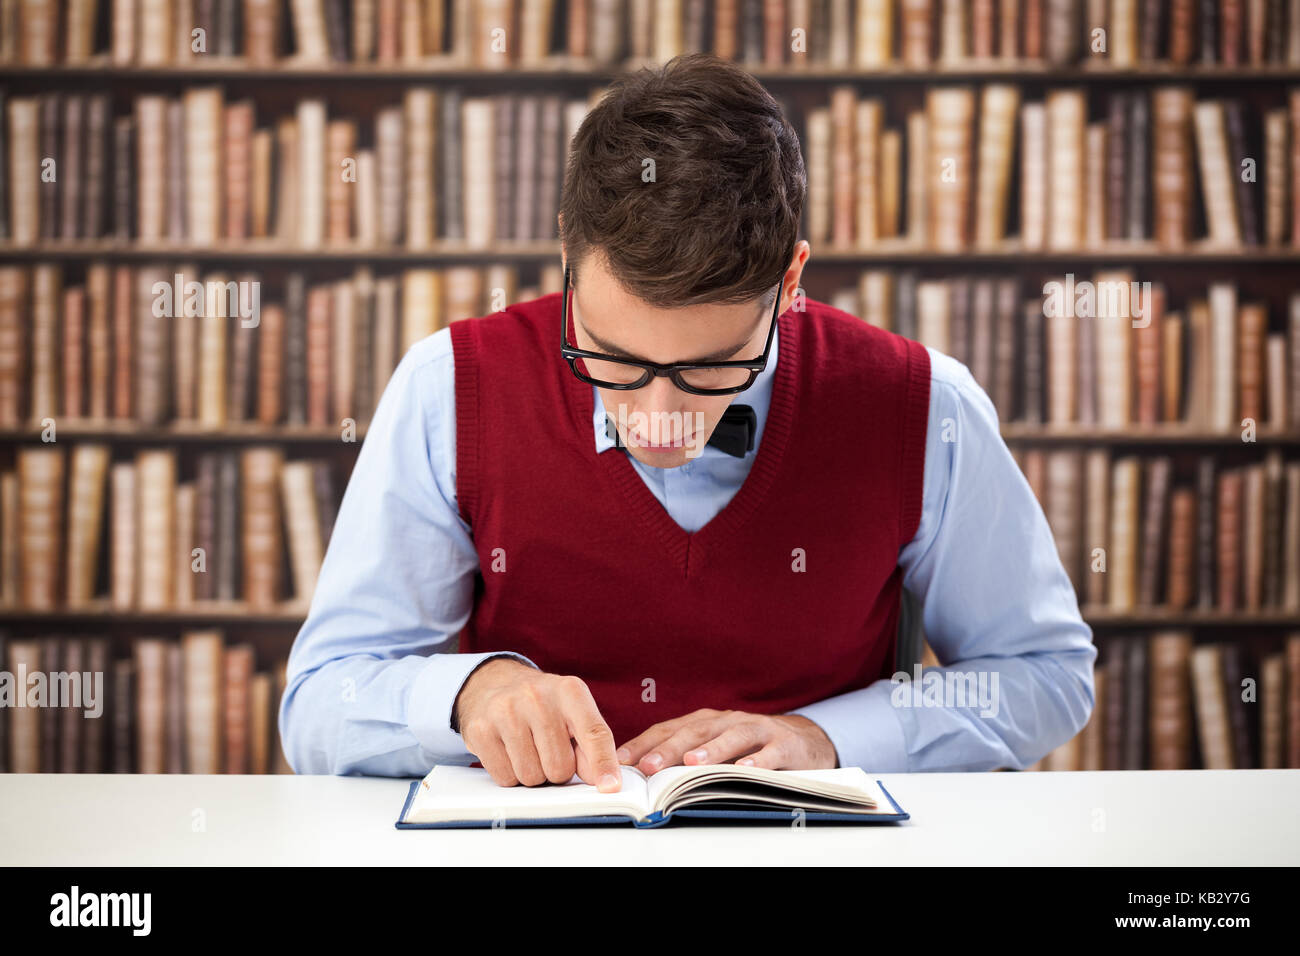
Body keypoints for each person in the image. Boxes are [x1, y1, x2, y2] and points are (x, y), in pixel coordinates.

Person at [279, 54, 1096, 787]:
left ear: (789, 280)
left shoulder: (923, 404)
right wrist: (465, 692)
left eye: (711, 366)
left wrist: (826, 737)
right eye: (612, 356)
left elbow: (1046, 673)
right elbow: (318, 704)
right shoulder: (446, 388)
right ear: (567, 252)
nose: (657, 419)